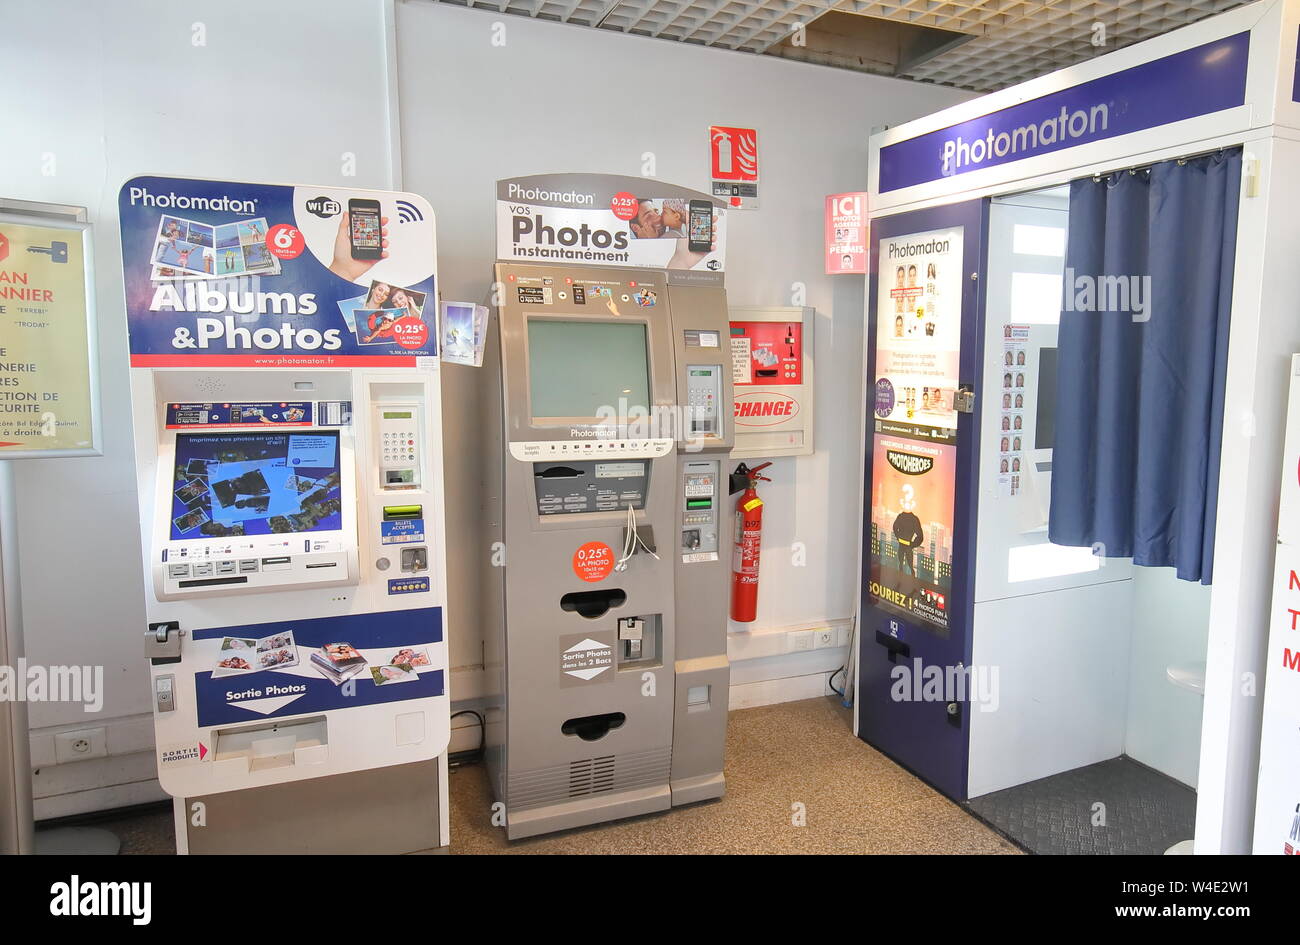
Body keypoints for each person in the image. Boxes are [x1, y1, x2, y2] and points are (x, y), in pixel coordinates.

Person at [892, 495, 924, 579]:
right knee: (901, 564)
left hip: (908, 546)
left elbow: (920, 536)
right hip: (903, 545)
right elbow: (895, 527)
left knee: (910, 566)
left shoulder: (914, 519)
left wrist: (912, 544)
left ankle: (911, 581)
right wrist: (899, 537)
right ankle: (900, 580)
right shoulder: (902, 516)